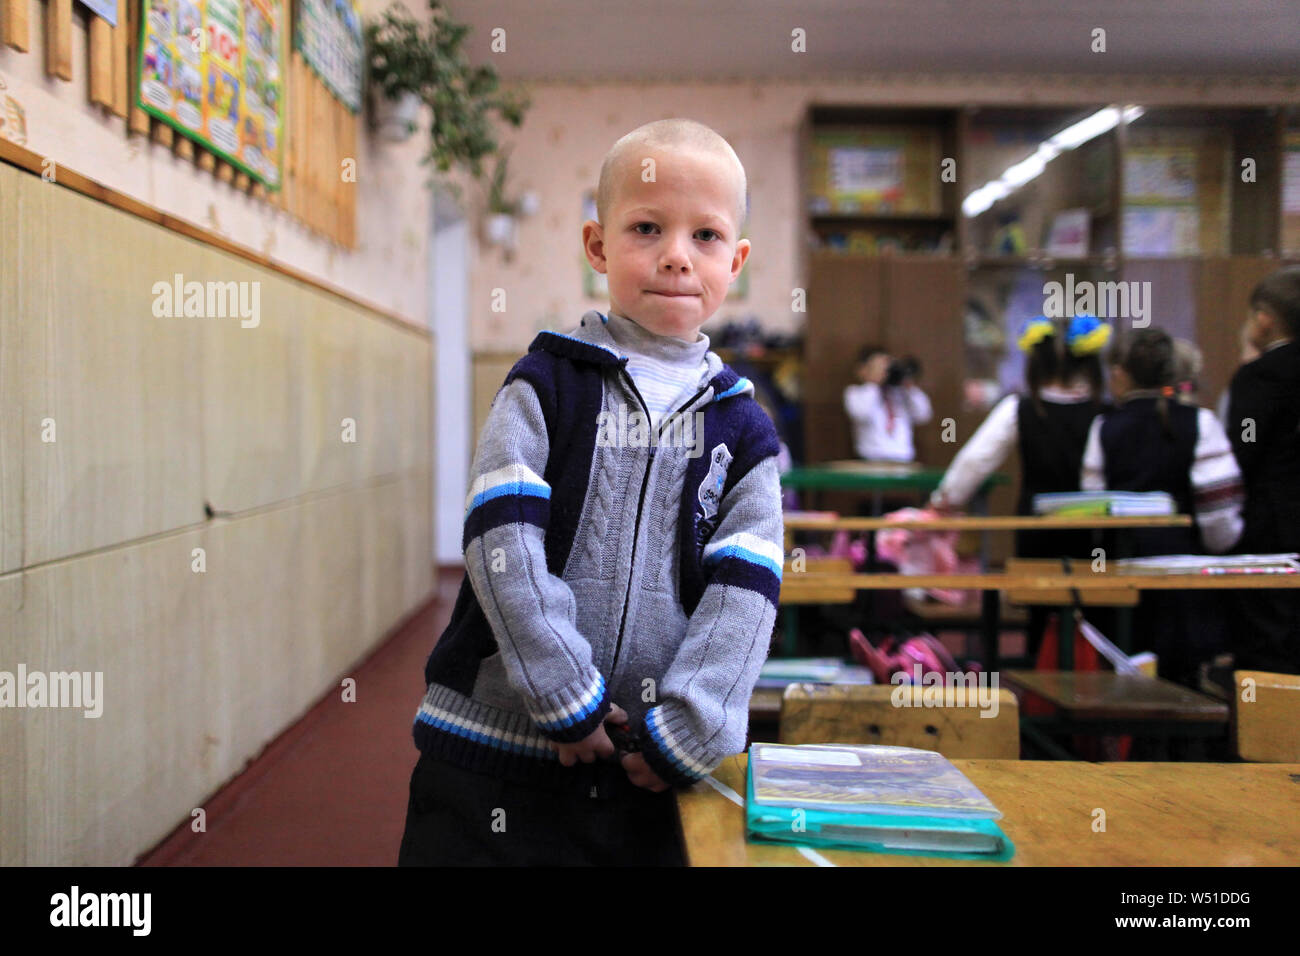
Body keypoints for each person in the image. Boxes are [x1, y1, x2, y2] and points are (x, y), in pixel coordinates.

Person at [397, 119, 784, 866]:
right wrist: (560, 688)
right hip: (490, 755)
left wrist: (694, 724)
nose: (676, 255)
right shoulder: (545, 384)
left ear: (734, 260)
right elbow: (499, 538)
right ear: (598, 247)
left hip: (648, 769)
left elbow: (747, 590)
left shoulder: (746, 429)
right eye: (647, 227)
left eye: (705, 236)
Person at [930, 314, 1109, 658]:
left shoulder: (1021, 408)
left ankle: (1037, 688)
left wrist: (945, 499)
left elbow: (975, 460)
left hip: (1036, 527)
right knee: (1093, 614)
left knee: (1040, 616)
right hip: (1094, 530)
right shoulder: (1103, 410)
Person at [1081, 327, 1244, 687]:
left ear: (1120, 373)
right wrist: (1217, 548)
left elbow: (1091, 505)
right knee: (1183, 679)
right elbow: (1219, 508)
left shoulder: (1104, 426)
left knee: (1124, 678)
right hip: (1184, 576)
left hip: (1120, 574)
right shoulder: (1201, 422)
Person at [1226, 265, 1300, 675]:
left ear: (1265, 318)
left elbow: (1246, 447)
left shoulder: (1259, 377)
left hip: (1271, 525)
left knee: (1266, 641)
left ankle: (1263, 732)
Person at [843, 346, 932, 462]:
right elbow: (860, 412)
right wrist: (874, 382)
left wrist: (908, 386)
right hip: (872, 461)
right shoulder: (856, 393)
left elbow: (923, 414)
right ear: (862, 370)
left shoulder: (901, 394)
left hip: (904, 460)